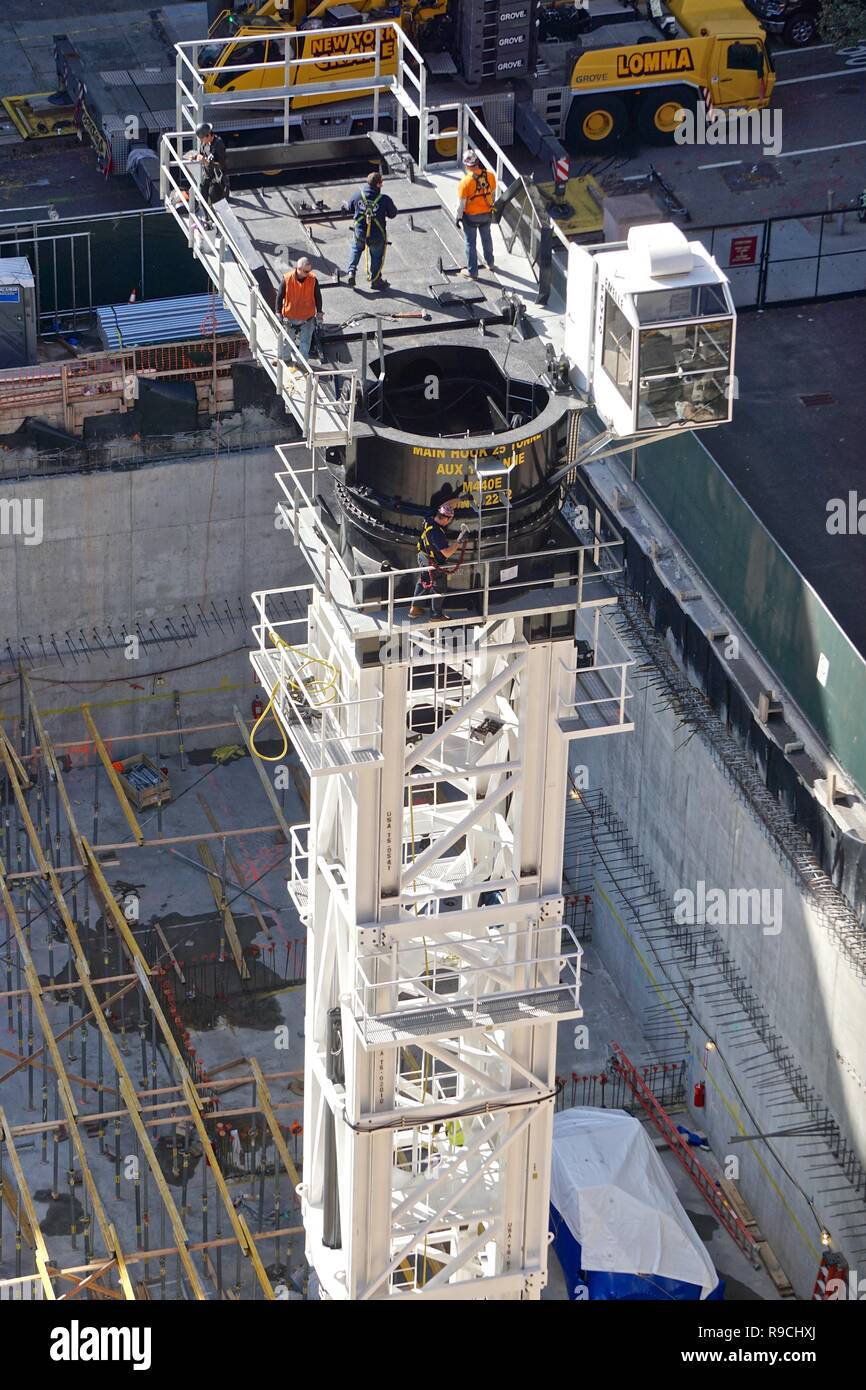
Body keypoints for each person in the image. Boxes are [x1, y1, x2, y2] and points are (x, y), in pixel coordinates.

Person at [408, 500, 468, 620]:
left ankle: (415, 609)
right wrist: (459, 541)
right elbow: (446, 553)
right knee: (438, 587)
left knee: (423, 581)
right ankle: (436, 615)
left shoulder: (429, 518)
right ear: (446, 519)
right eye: (449, 520)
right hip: (434, 562)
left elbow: (445, 505)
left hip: (423, 556)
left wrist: (460, 499)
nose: (449, 522)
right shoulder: (437, 534)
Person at [345, 171, 397, 290]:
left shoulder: (357, 195)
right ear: (378, 185)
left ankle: (351, 273)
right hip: (377, 235)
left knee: (356, 249)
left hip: (360, 232)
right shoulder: (384, 199)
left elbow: (349, 208)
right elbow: (393, 214)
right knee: (376, 256)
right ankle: (375, 281)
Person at [456, 149, 497, 281]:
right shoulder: (490, 175)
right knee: (487, 238)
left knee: (470, 243)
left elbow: (460, 205)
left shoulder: (465, 182)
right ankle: (490, 263)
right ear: (477, 162)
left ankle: (472, 272)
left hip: (471, 217)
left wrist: (458, 218)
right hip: (486, 214)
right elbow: (493, 194)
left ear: (466, 165)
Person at [278, 257, 323, 360]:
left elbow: (318, 296)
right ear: (298, 268)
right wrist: (278, 312)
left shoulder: (312, 279)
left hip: (307, 317)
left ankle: (301, 363)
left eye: (309, 271)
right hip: (290, 316)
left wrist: (319, 311)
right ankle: (284, 360)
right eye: (306, 271)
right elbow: (280, 296)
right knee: (287, 340)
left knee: (305, 342)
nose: (308, 273)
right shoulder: (287, 279)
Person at [190, 122, 230, 219]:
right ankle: (208, 218)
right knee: (202, 193)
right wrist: (196, 156)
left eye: (202, 138)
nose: (201, 141)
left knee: (213, 198)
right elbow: (201, 153)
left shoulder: (218, 145)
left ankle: (218, 224)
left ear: (208, 135)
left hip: (217, 177)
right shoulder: (204, 143)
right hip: (208, 174)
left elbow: (222, 165)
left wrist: (207, 162)